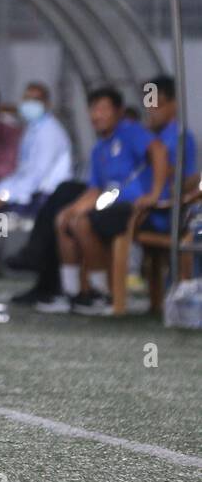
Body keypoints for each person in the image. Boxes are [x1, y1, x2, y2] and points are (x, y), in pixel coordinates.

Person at [36, 86, 170, 315]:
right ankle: (73, 293)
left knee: (83, 223)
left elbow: (158, 151)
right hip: (112, 207)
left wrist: (155, 193)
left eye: (103, 109)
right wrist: (71, 211)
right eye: (93, 109)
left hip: (141, 211)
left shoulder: (130, 132)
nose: (96, 115)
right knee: (64, 220)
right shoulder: (99, 149)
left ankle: (102, 293)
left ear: (118, 112)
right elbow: (95, 190)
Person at [0, 81, 72, 216]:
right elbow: (22, 173)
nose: (30, 103)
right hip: (30, 194)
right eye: (27, 99)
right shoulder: (31, 130)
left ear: (48, 104)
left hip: (47, 198)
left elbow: (36, 176)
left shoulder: (49, 132)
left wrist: (5, 196)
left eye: (36, 99)